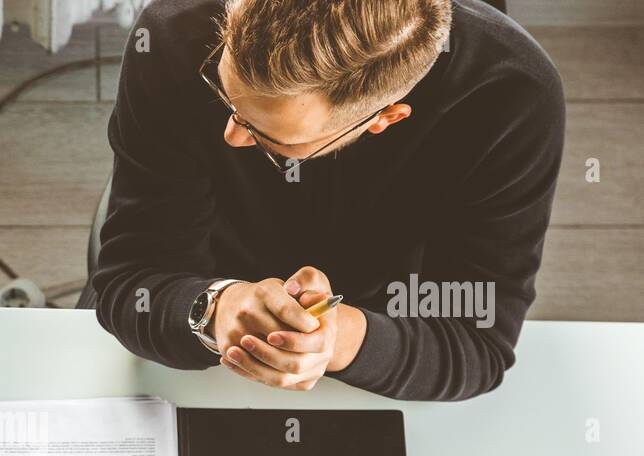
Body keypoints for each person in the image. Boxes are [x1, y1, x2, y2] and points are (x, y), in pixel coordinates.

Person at [92, 0, 564, 400]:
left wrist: (335, 339)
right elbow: (131, 279)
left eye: (262, 132)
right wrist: (216, 306)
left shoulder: (511, 95)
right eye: (223, 92)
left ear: (386, 119)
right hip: (193, 321)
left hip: (394, 326)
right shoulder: (173, 31)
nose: (230, 135)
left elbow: (476, 342)